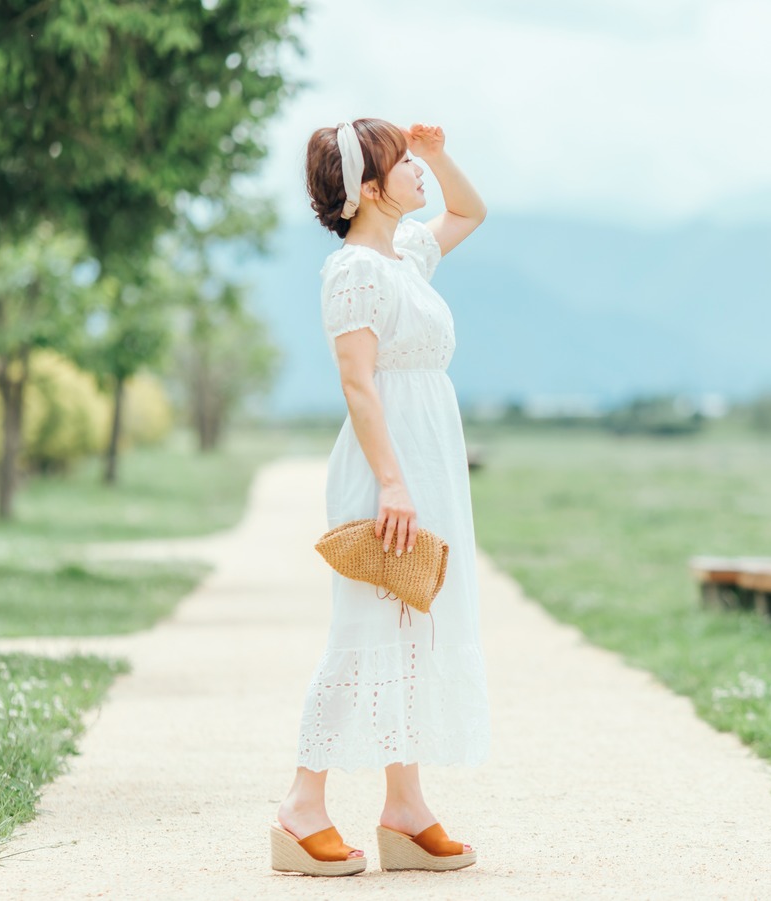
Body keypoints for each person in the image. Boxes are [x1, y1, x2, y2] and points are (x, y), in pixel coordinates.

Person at [268, 118, 490, 877]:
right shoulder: (355, 271)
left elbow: (469, 211)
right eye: (403, 165)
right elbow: (358, 382)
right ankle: (301, 807)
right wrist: (392, 482)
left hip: (426, 458)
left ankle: (406, 808)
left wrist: (435, 153)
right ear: (368, 188)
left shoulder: (405, 257)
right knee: (365, 628)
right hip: (385, 466)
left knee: (415, 629)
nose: (417, 174)